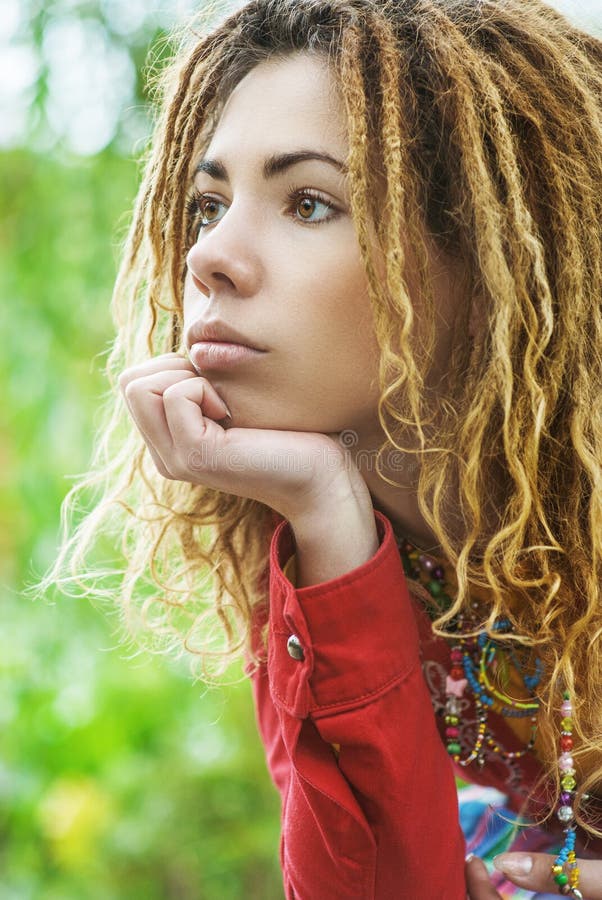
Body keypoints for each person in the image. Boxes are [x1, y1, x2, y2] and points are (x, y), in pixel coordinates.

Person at [31, 0, 602, 896]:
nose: (210, 256)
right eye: (208, 204)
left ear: (491, 256)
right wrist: (326, 515)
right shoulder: (328, 558)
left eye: (308, 202)